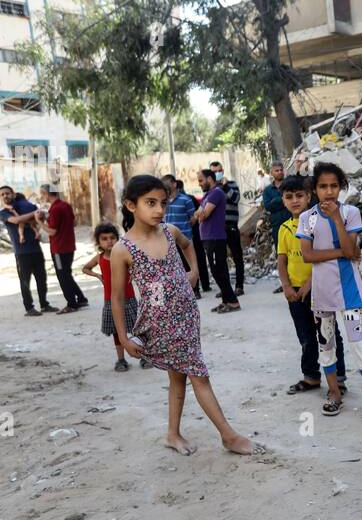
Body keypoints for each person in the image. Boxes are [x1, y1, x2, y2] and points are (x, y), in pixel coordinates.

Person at [109, 174, 261, 456]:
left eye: (162, 203)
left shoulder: (169, 231)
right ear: (131, 205)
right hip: (160, 322)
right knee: (199, 376)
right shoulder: (122, 249)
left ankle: (172, 434)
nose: (158, 210)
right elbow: (117, 298)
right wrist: (124, 336)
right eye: (150, 203)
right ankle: (228, 435)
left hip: (187, 315)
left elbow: (190, 246)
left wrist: (193, 272)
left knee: (179, 378)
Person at [296, 161, 362, 420]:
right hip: (322, 294)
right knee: (326, 344)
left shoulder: (349, 213)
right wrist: (344, 253)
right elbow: (308, 255)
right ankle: (334, 393)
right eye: (323, 186)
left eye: (334, 186)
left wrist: (335, 218)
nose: (329, 191)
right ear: (315, 189)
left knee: (358, 344)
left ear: (342, 187)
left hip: (349, 292)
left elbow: (351, 249)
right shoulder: (307, 218)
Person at [277, 176, 345, 394]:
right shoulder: (284, 229)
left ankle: (339, 379)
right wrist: (287, 287)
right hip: (296, 293)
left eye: (299, 195)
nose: (295, 200)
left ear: (308, 197)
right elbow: (282, 260)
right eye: (289, 197)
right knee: (305, 336)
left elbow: (323, 257)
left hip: (320, 289)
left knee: (329, 334)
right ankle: (311, 377)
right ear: (283, 201)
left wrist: (310, 283)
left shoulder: (318, 224)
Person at [81, 222, 147, 371]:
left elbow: (137, 266)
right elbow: (85, 268)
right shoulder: (99, 259)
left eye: (112, 237)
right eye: (104, 238)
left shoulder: (125, 255)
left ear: (118, 239)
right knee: (117, 332)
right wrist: (98, 275)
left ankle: (143, 356)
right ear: (98, 242)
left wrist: (134, 274)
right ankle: (121, 360)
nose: (109, 241)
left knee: (137, 329)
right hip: (110, 301)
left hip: (129, 299)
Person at [0, 185, 55, 316]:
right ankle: (29, 308)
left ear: (13, 194)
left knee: (42, 279)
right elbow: (16, 220)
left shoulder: (25, 206)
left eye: (7, 193)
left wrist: (37, 215)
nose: (5, 196)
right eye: (2, 194)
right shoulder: (4, 212)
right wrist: (34, 214)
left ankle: (44, 304)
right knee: (25, 281)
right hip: (21, 252)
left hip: (35, 249)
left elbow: (41, 218)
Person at [36, 183, 89, 313]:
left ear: (46, 194)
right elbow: (73, 222)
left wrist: (40, 222)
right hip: (69, 245)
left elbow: (52, 231)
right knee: (67, 273)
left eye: (42, 193)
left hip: (59, 248)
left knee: (62, 276)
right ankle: (81, 298)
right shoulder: (65, 205)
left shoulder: (55, 209)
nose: (42, 196)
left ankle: (71, 304)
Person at [193, 168, 239, 313]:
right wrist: (200, 213)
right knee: (216, 271)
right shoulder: (208, 195)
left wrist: (201, 213)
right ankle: (226, 300)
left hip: (215, 237)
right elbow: (196, 215)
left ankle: (232, 301)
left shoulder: (216, 193)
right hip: (208, 237)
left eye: (201, 180)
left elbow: (203, 215)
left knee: (220, 271)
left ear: (209, 179)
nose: (199, 184)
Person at [163, 174, 205, 299]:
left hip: (185, 237)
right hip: (168, 240)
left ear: (174, 184)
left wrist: (183, 228)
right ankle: (182, 290)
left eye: (167, 183)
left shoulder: (186, 200)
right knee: (176, 265)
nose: (165, 185)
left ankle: (195, 289)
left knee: (189, 264)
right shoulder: (163, 202)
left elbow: (193, 218)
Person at [212, 160, 245, 296]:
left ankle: (239, 286)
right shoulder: (212, 189)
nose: (217, 174)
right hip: (217, 229)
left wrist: (225, 186)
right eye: (214, 172)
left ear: (223, 171)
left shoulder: (231, 184)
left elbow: (236, 199)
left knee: (237, 257)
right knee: (220, 260)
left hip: (230, 227)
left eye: (219, 171)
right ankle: (225, 288)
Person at [262, 159, 292, 293]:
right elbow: (268, 206)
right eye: (276, 170)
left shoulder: (289, 185)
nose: (279, 172)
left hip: (292, 223)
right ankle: (285, 283)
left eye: (281, 170)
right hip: (278, 226)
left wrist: (280, 201)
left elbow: (294, 200)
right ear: (271, 173)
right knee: (281, 255)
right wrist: (282, 199)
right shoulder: (268, 190)